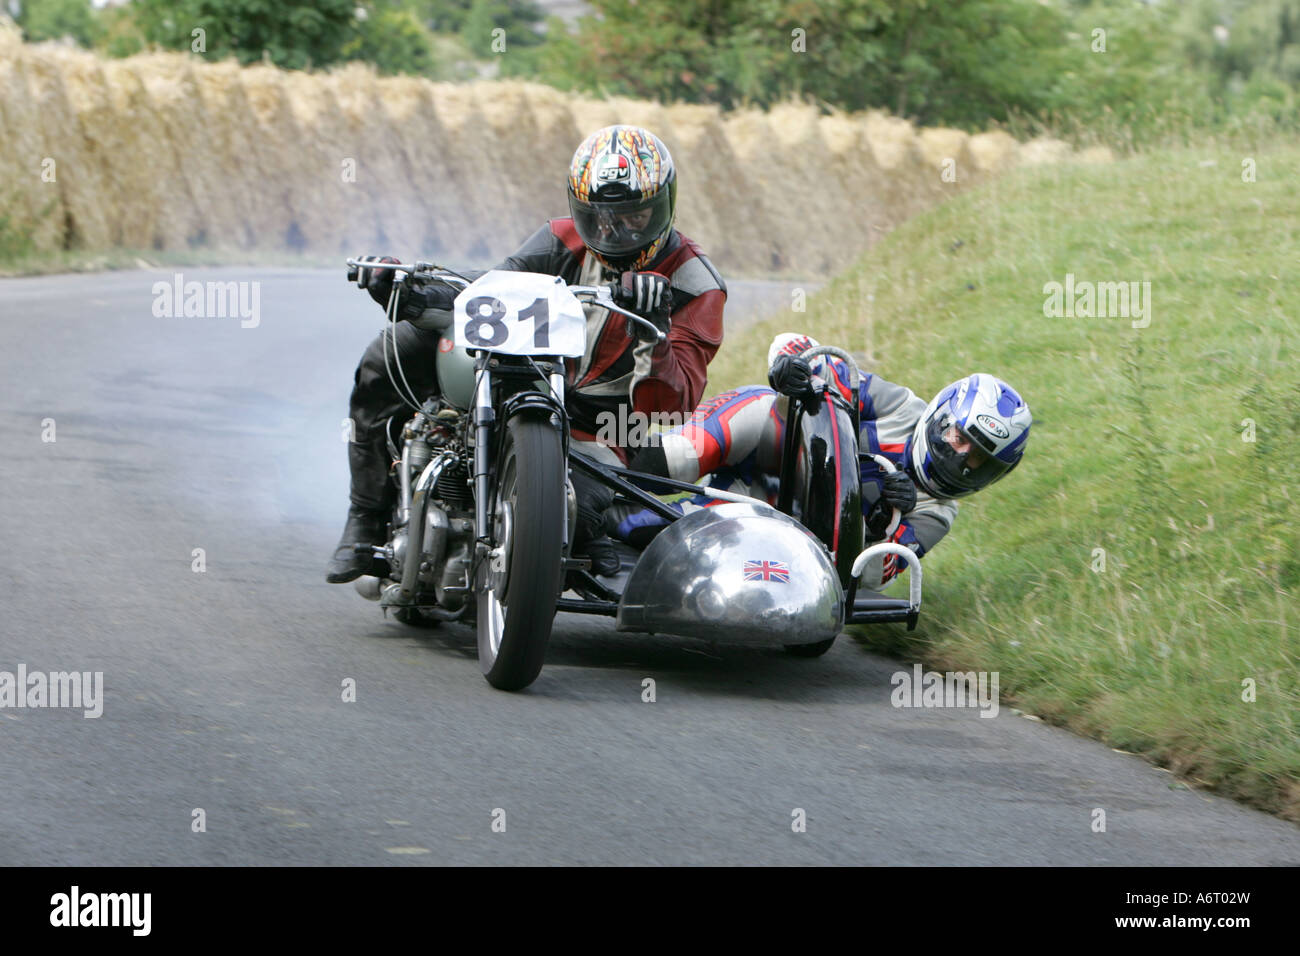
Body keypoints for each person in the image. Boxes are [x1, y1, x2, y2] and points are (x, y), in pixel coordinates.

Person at [326, 125, 727, 583]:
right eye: (599, 216)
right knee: (394, 348)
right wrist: (407, 293)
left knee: (567, 520)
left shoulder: (695, 284)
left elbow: (673, 409)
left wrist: (654, 331)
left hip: (605, 429)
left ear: (664, 206)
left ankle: (576, 533)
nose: (615, 231)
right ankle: (364, 515)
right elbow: (489, 293)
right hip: (525, 382)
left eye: (635, 216)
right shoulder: (560, 238)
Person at [621, 334, 1031, 590]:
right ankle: (602, 473)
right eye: (960, 439)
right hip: (762, 435)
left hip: (773, 512)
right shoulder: (902, 407)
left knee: (644, 529)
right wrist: (790, 369)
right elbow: (808, 352)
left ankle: (595, 517)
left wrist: (881, 523)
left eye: (978, 461)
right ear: (942, 418)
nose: (960, 459)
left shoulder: (936, 513)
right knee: (672, 460)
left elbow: (871, 578)